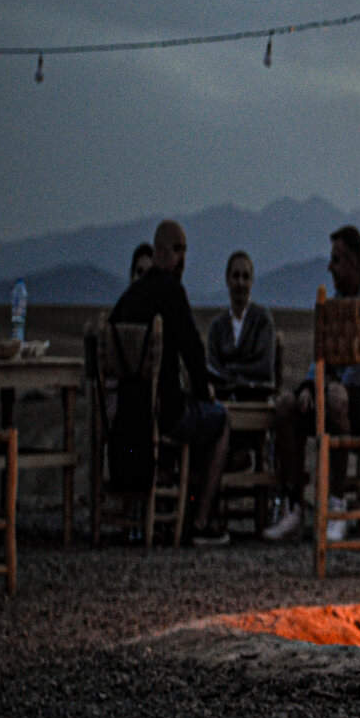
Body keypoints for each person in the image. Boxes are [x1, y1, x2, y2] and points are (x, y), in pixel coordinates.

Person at [110, 219, 232, 546]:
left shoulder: (128, 298)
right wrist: (206, 389)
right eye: (179, 250)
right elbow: (192, 350)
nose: (183, 259)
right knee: (219, 421)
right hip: (164, 414)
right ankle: (202, 522)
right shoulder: (170, 290)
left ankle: (165, 513)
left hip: (127, 415)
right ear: (163, 251)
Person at [263, 225, 360, 542]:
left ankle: (337, 506)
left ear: (355, 261)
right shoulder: (334, 305)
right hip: (330, 392)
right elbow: (321, 358)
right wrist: (307, 389)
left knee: (335, 399)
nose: (331, 267)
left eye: (337, 259)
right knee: (288, 407)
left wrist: (329, 388)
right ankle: (294, 506)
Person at [206, 250, 276, 397]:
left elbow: (264, 368)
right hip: (222, 398)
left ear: (252, 281)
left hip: (256, 397)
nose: (240, 283)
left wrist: (230, 369)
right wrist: (244, 371)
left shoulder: (262, 320)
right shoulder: (217, 326)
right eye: (236, 276)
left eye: (245, 276)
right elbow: (212, 368)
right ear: (227, 280)